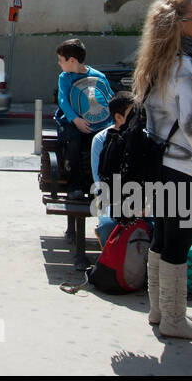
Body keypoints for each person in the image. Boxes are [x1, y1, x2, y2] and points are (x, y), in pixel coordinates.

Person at [132, 0, 192, 340]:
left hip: (162, 165)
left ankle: (162, 311)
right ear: (180, 26)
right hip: (185, 168)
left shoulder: (157, 64)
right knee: (178, 242)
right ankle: (174, 319)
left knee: (164, 236)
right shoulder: (185, 67)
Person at [55, 38, 115, 199]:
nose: (59, 64)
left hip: (98, 122)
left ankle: (101, 186)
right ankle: (75, 186)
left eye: (61, 60)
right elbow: (63, 101)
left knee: (105, 143)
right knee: (73, 142)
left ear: (72, 60)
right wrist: (76, 120)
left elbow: (109, 98)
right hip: (73, 122)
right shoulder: (65, 78)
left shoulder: (98, 76)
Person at [90, 90, 136, 247]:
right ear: (118, 117)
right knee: (109, 225)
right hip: (111, 198)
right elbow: (100, 181)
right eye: (132, 114)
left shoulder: (142, 137)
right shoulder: (101, 140)